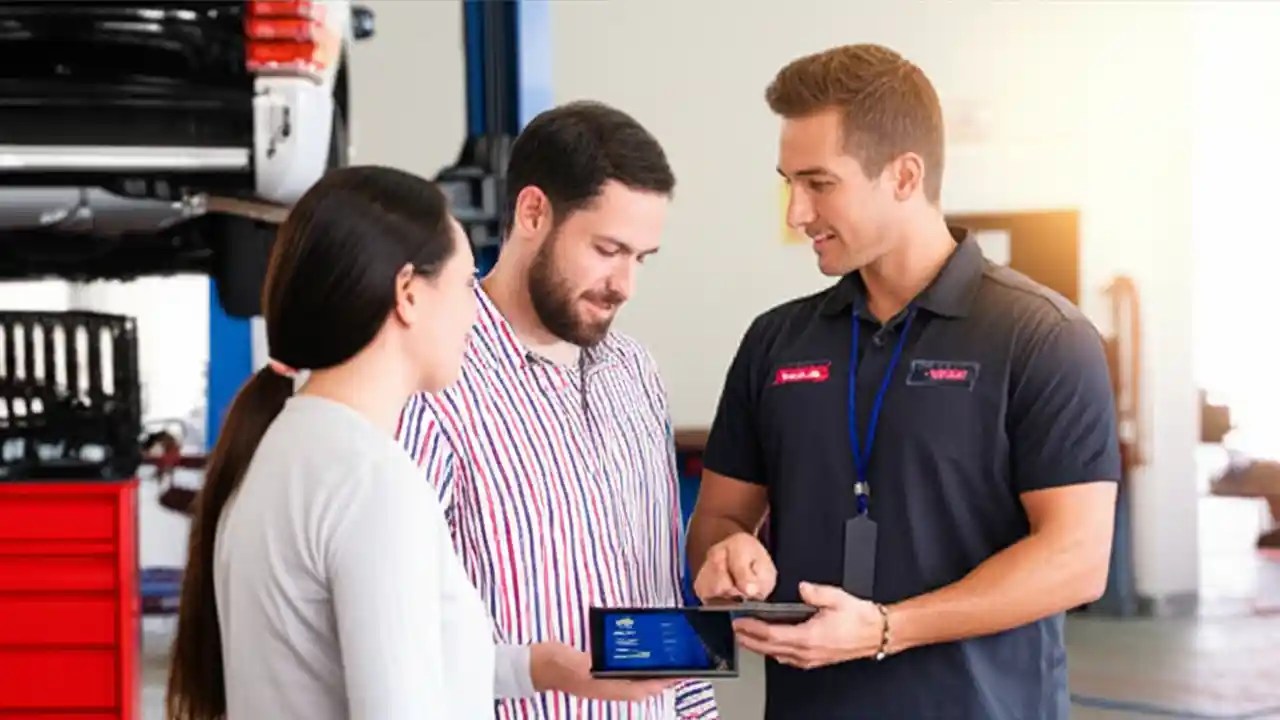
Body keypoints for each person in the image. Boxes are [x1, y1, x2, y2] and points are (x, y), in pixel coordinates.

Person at [687, 43, 1120, 720]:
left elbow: (1077, 557)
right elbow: (718, 519)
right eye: (788, 183)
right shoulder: (775, 341)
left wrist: (888, 628)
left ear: (904, 175)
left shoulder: (1040, 337)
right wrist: (727, 552)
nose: (796, 213)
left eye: (819, 183)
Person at [396, 100, 717, 719]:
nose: (624, 284)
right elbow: (398, 638)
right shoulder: (435, 384)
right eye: (607, 249)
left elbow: (659, 592)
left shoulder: (635, 375)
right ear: (533, 212)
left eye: (641, 258)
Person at [165, 166, 494, 720]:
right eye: (466, 284)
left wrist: (532, 667)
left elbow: (354, 662)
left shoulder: (285, 445)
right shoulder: (374, 484)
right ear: (408, 293)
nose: (475, 312)